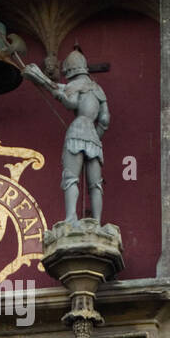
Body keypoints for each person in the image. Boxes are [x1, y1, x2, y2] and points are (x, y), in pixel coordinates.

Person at [22, 48, 109, 223]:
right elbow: (105, 119)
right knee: (96, 184)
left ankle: (71, 217)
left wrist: (45, 82)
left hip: (77, 131)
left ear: (69, 70)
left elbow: (70, 101)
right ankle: (97, 222)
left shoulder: (74, 85)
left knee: (71, 178)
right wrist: (94, 135)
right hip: (93, 135)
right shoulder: (98, 90)